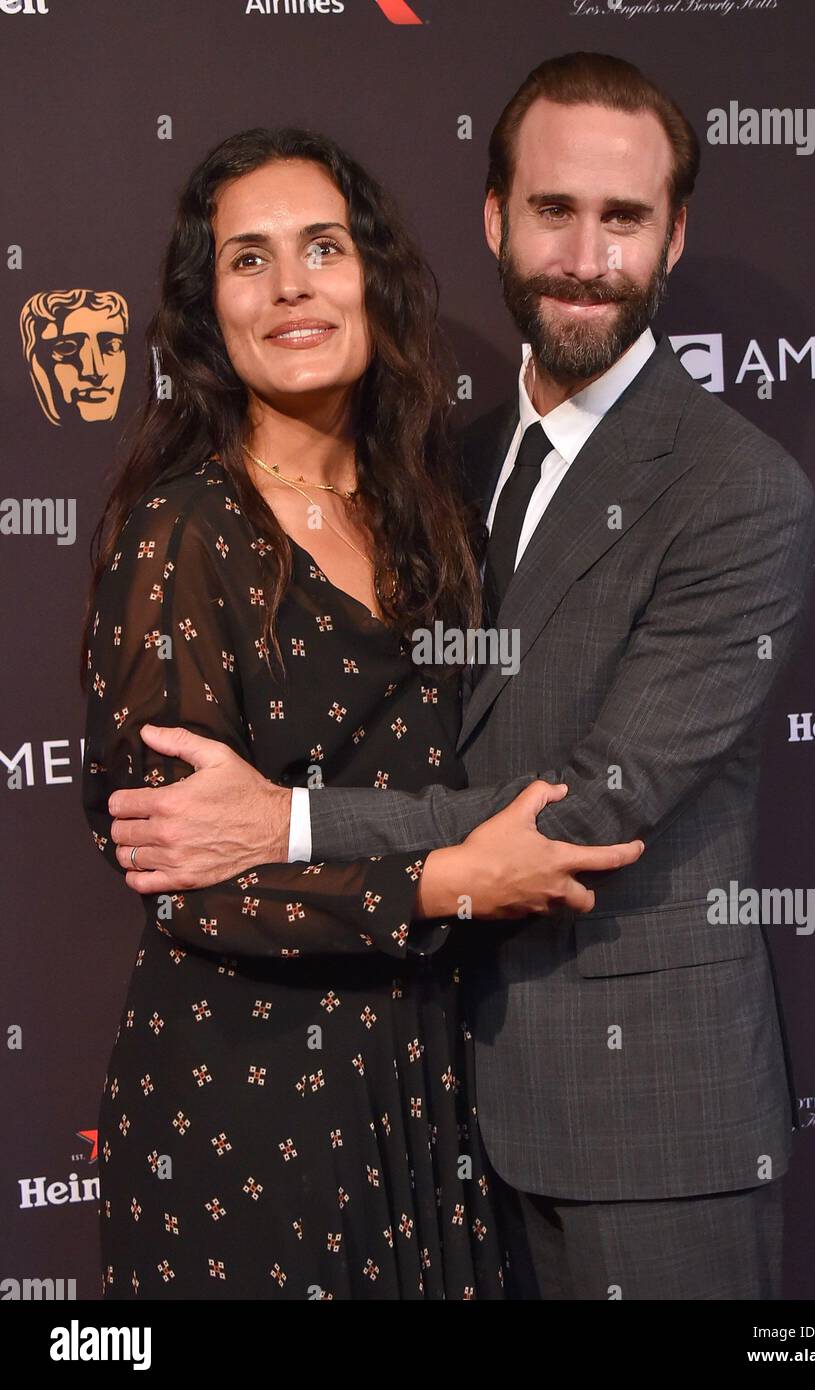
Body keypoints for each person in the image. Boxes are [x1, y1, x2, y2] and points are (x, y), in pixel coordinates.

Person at [108, 54, 815, 1300]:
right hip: (427, 1111)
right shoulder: (456, 466)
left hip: (644, 1120)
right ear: (494, 219)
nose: (584, 256)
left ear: (672, 237)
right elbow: (175, 846)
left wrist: (288, 819)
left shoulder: (735, 491)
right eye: (553, 210)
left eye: (623, 218)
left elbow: (587, 810)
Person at [79, 125, 643, 1301]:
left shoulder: (426, 508)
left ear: (371, 277)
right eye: (248, 259)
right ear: (206, 309)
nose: (290, 285)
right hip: (244, 1100)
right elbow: (185, 875)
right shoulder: (184, 531)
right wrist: (448, 882)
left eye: (321, 248)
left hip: (427, 1080)